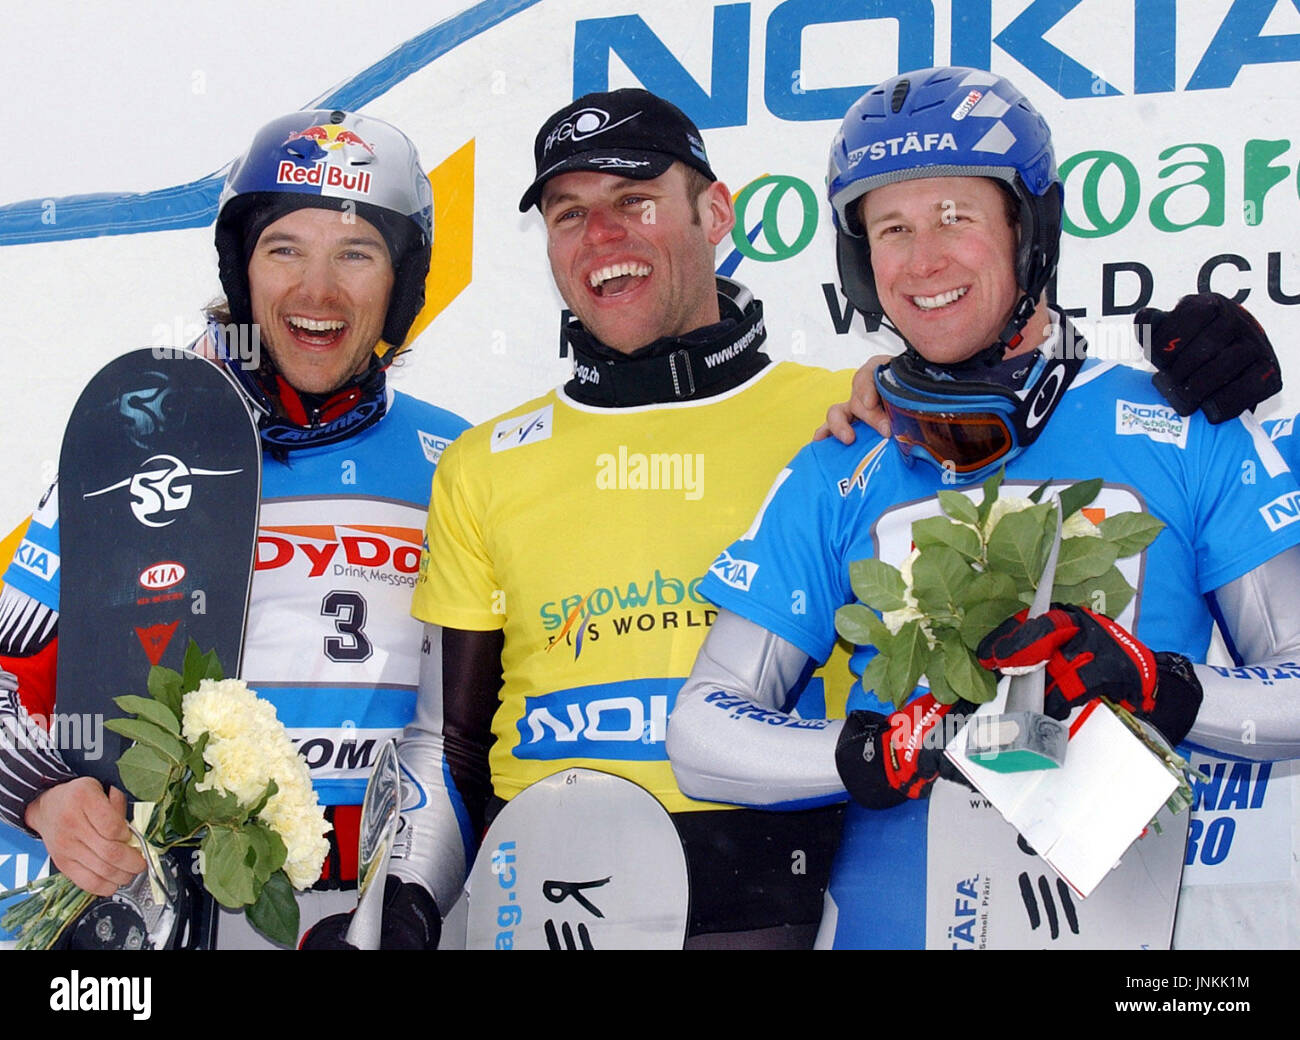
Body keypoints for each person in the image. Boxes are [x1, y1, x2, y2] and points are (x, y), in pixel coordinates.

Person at [666, 66, 1300, 948]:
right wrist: (881, 750)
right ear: (860, 261)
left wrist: (1165, 687)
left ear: (1029, 230)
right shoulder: (846, 459)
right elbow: (702, 731)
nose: (923, 261)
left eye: (956, 217)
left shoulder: (1186, 422)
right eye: (892, 228)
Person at [353, 88, 858, 950]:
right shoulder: (485, 460)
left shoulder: (847, 414)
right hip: (540, 898)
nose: (601, 236)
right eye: (569, 213)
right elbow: (449, 743)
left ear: (717, 211)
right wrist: (400, 908)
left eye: (635, 201)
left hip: (782, 893)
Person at [0, 109, 468, 947]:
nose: (317, 291)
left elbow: (477, 733)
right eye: (284, 248)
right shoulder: (135, 439)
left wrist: (411, 902)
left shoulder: (458, 465)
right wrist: (41, 794)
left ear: (400, 282)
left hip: (373, 914)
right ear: (240, 267)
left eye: (355, 254)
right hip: (150, 911)